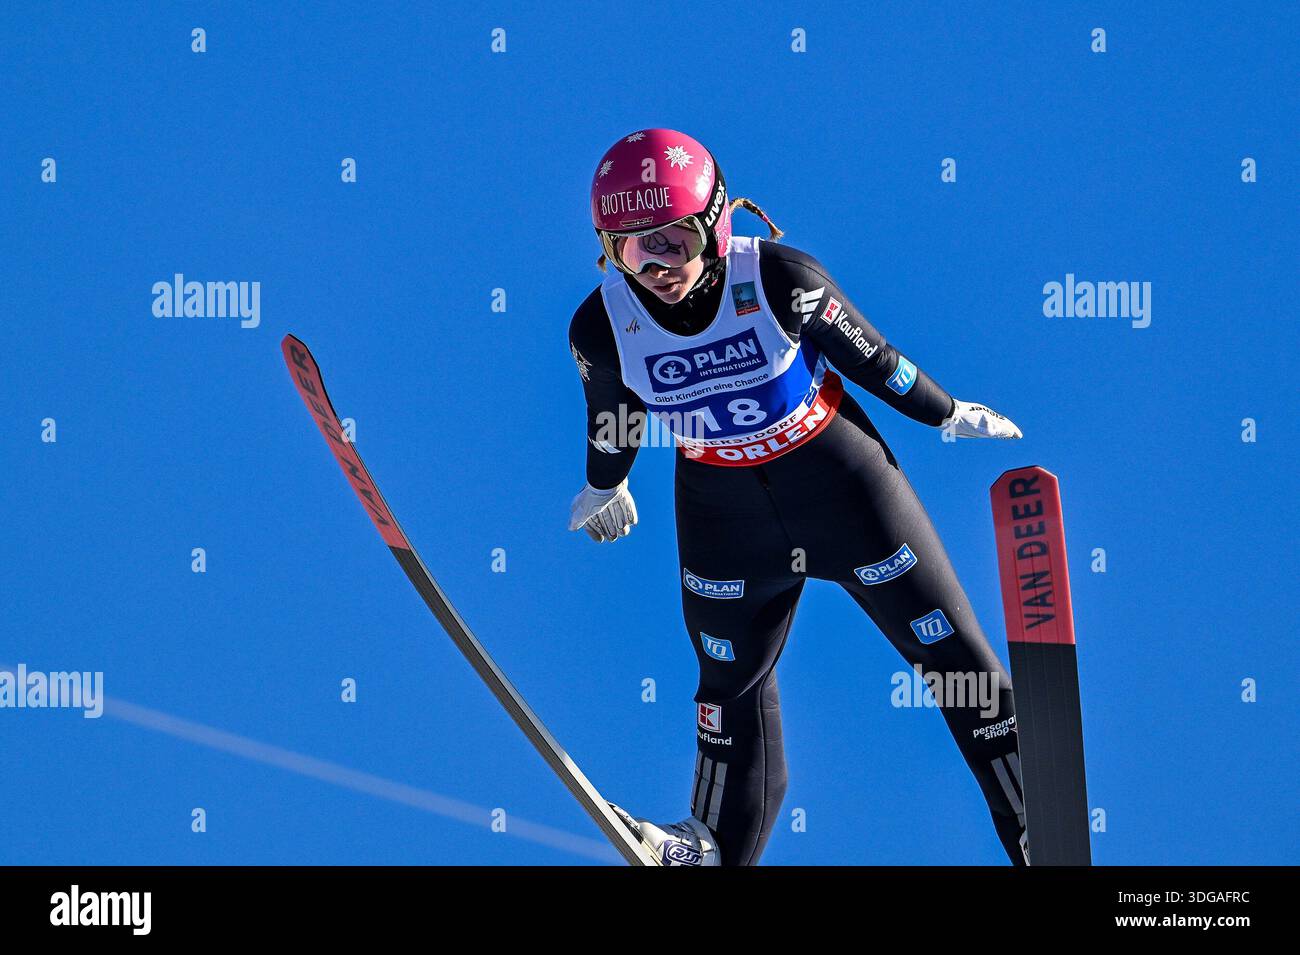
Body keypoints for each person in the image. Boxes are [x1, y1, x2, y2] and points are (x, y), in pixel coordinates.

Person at [568, 129, 1028, 867]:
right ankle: (710, 846)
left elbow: (875, 358)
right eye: (632, 248)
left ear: (716, 226)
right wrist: (604, 481)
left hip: (845, 491)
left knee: (953, 658)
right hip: (724, 517)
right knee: (728, 685)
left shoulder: (781, 279)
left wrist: (946, 410)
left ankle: (1031, 816)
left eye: (674, 242)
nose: (656, 267)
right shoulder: (601, 323)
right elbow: (610, 413)